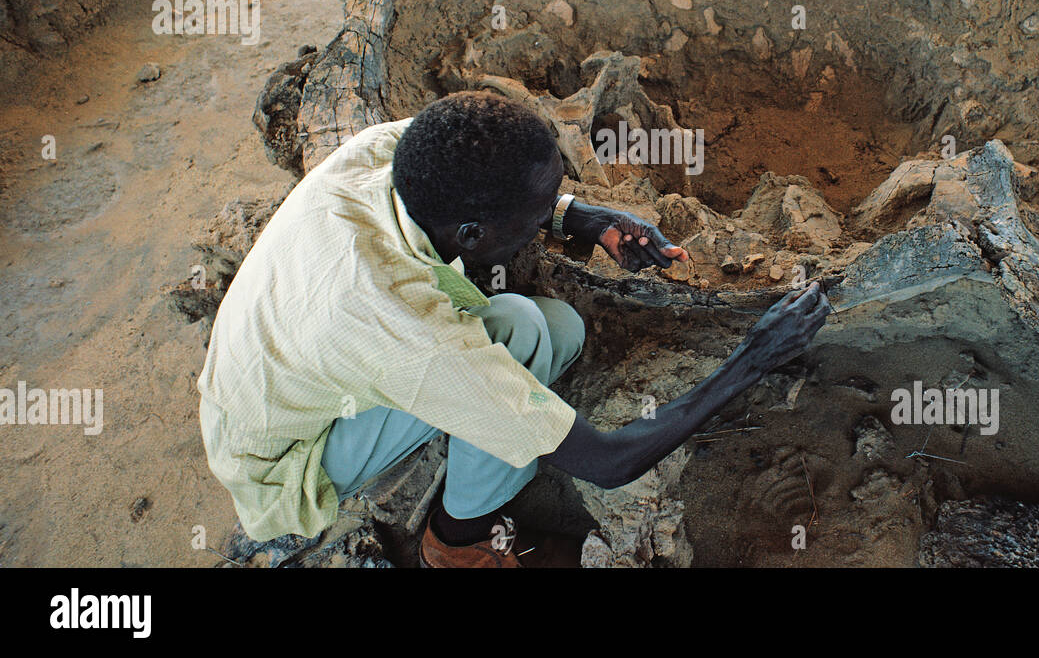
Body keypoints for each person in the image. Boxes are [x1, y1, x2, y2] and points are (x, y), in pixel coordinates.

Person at [197, 90, 831, 567]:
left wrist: (581, 218)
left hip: (272, 381)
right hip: (285, 461)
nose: (544, 220)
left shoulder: (386, 153)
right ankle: (458, 545)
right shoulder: (406, 327)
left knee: (546, 328)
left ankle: (469, 461)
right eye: (536, 211)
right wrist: (753, 358)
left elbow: (486, 197)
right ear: (473, 235)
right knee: (520, 342)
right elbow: (609, 464)